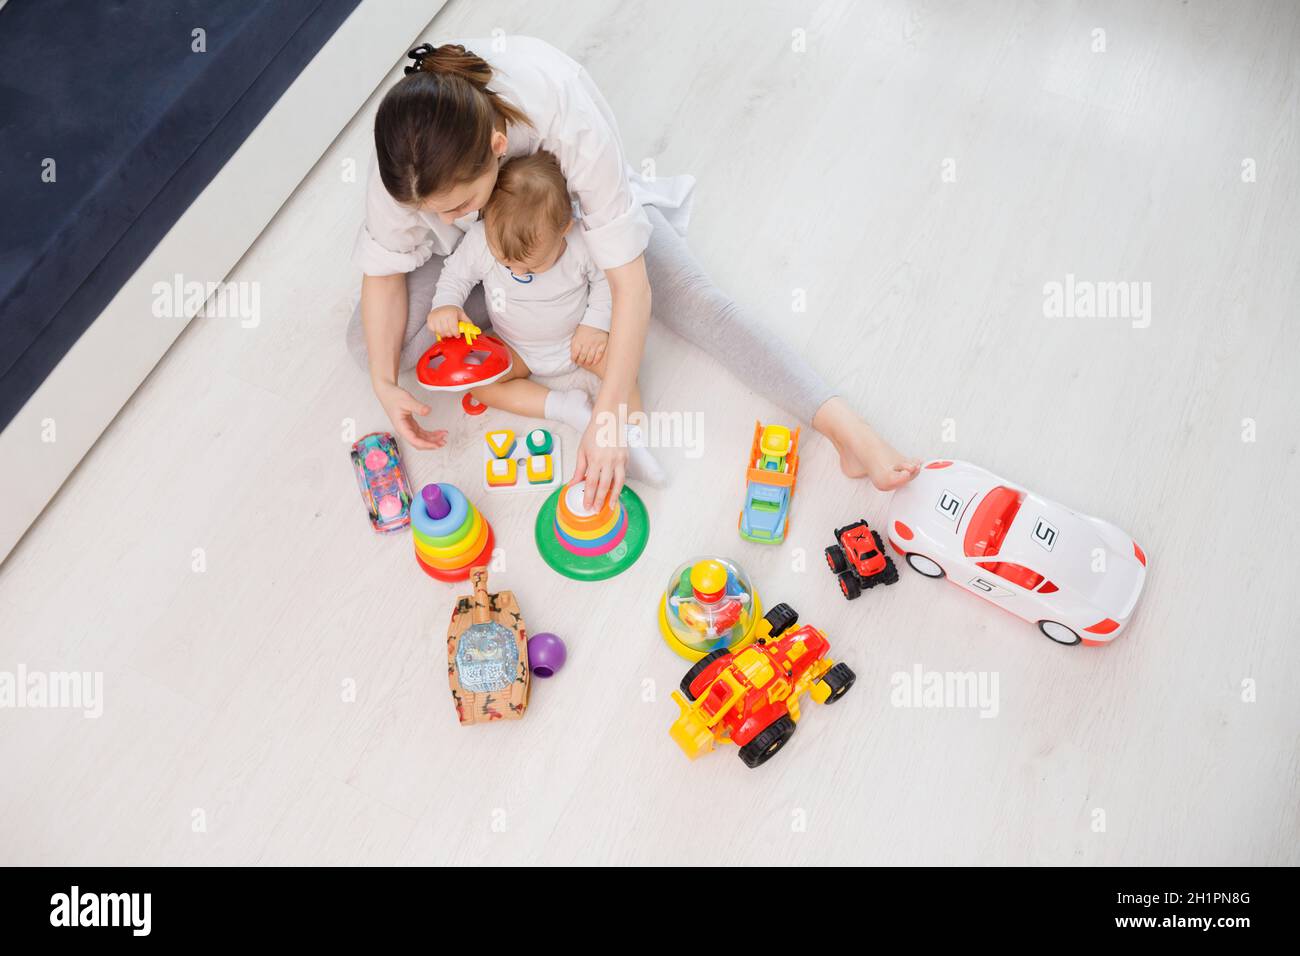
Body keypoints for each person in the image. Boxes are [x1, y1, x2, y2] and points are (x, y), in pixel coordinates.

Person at [347, 37, 918, 509]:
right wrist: (381, 380)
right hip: (505, 262)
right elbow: (383, 276)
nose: (443, 222)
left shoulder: (563, 113)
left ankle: (846, 428)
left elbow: (628, 287)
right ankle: (529, 314)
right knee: (373, 343)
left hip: (568, 217)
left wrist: (610, 414)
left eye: (456, 206)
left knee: (696, 303)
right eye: (430, 213)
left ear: (498, 148)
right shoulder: (409, 164)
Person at [424, 149, 665, 484]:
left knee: (624, 370)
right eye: (506, 264)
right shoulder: (481, 239)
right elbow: (455, 276)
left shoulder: (581, 242)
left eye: (531, 265)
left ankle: (629, 435)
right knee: (481, 386)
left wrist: (594, 326)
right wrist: (446, 305)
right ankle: (566, 407)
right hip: (515, 346)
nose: (517, 271)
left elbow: (608, 284)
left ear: (564, 228)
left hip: (578, 343)